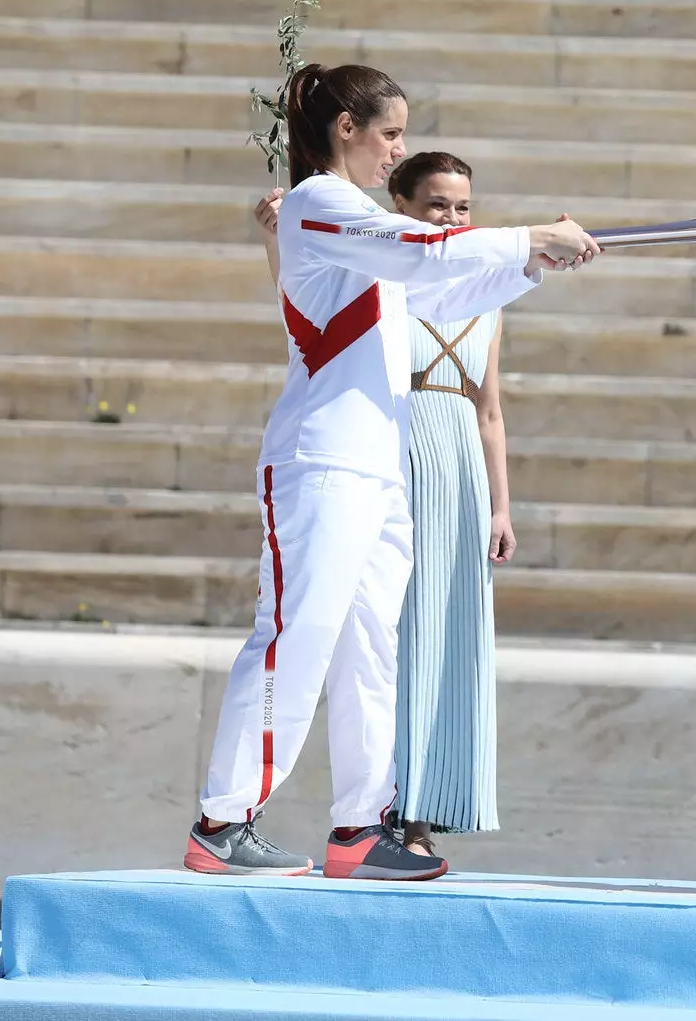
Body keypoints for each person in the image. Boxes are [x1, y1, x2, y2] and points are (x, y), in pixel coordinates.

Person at [185, 62, 599, 882]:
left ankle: (360, 828)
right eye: (391, 134)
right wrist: (524, 238)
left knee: (371, 645)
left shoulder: (360, 229)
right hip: (320, 460)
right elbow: (421, 248)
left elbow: (437, 295)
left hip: (378, 468)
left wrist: (529, 267)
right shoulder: (317, 204)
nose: (398, 150)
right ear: (348, 129)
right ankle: (223, 821)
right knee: (297, 635)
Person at [253, 151, 513, 858]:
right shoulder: (386, 268)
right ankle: (382, 810)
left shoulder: (476, 291)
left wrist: (500, 504)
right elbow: (309, 310)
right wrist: (281, 240)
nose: (454, 218)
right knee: (384, 636)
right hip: (391, 449)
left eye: (463, 207)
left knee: (435, 636)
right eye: (437, 205)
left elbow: (490, 409)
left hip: (454, 462)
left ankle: (421, 807)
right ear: (398, 204)